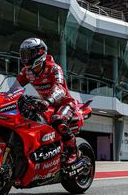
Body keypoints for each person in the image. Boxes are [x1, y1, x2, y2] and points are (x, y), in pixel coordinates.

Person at [13, 37, 79, 165]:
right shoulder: (26, 72)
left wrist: (48, 101)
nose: (25, 58)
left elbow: (60, 89)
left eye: (28, 54)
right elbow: (13, 89)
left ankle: (73, 152)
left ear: (40, 53)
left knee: (58, 121)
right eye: (23, 54)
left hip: (65, 103)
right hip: (46, 105)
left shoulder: (54, 68)